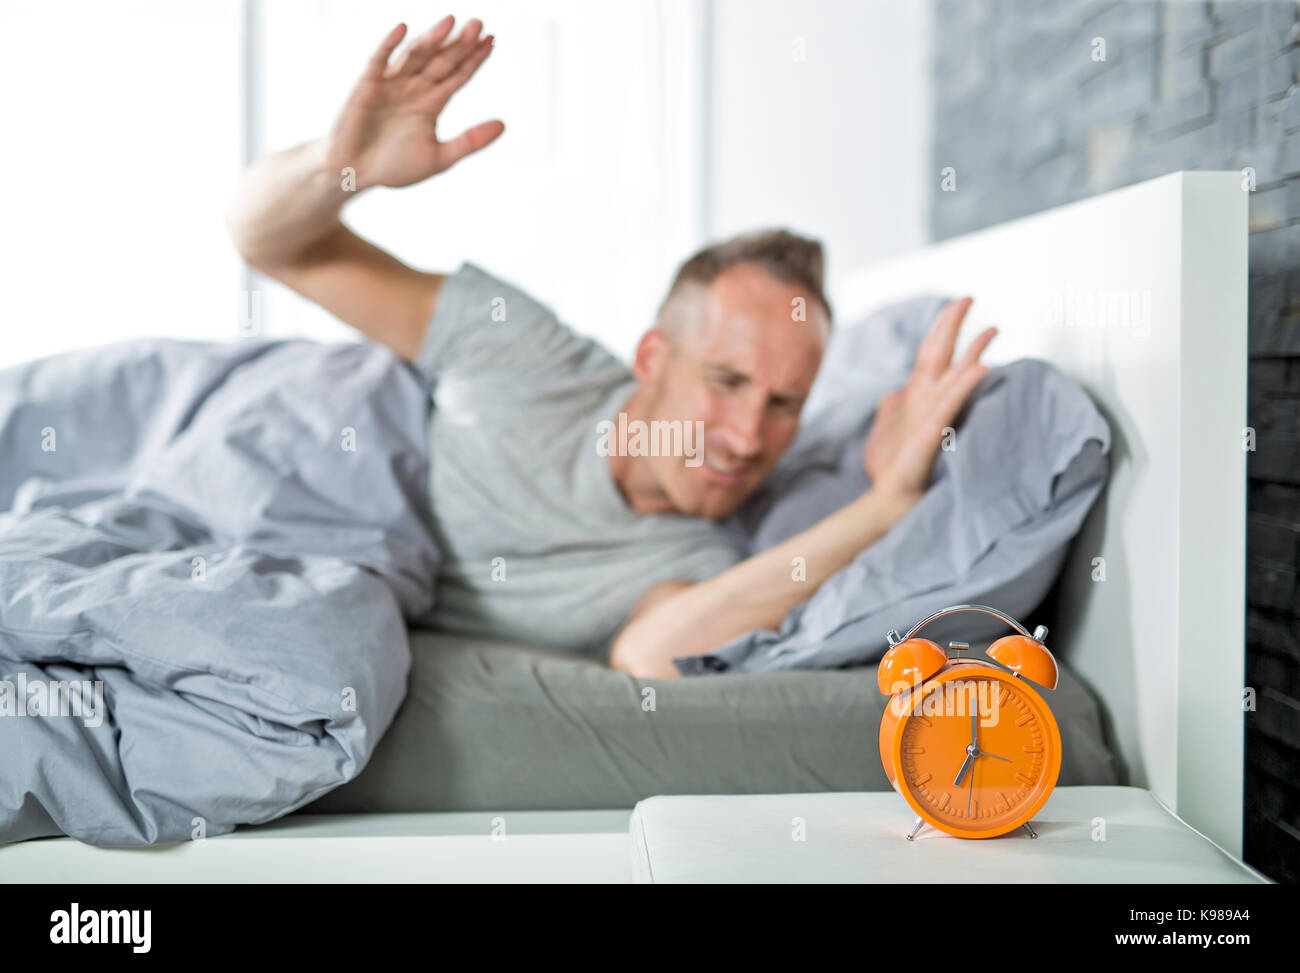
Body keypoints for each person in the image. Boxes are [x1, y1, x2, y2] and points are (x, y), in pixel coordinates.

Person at [225, 15, 996, 678]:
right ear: (654, 355)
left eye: (784, 404)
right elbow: (267, 240)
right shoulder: (523, 350)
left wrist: (887, 501)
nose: (745, 437)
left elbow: (656, 654)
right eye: (726, 380)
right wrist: (342, 167)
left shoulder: (698, 559)